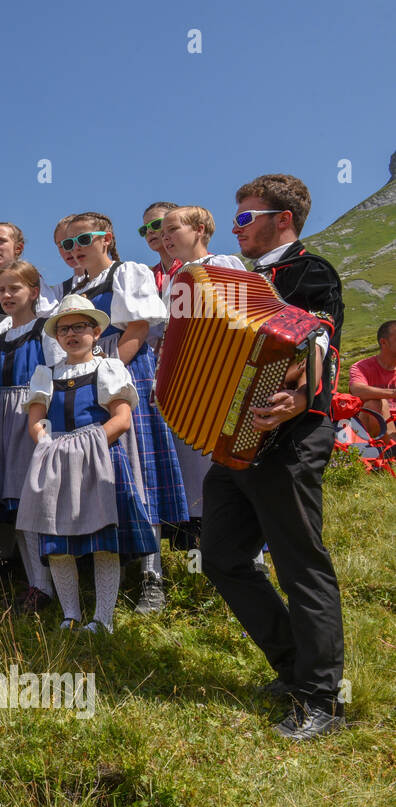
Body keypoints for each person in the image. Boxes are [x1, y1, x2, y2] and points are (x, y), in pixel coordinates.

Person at [202, 173, 346, 740]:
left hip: (289, 436)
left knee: (299, 563)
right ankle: (293, 669)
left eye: (244, 216)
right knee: (221, 557)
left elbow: (323, 341)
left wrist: (298, 397)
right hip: (234, 440)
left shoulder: (310, 272)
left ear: (280, 219)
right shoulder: (236, 281)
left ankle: (322, 701)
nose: (236, 226)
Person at [67, 210, 186, 613]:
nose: (76, 249)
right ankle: (113, 575)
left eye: (83, 239)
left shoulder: (127, 272)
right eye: (68, 244)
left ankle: (153, 576)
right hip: (88, 383)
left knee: (139, 473)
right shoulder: (77, 287)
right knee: (108, 475)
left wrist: (105, 372)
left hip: (125, 375)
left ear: (107, 237)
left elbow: (136, 330)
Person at [18, 295, 156, 634]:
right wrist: (50, 445)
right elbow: (36, 422)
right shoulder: (45, 374)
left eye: (79, 327)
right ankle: (70, 615)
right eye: (64, 329)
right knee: (58, 540)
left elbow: (122, 419)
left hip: (100, 458)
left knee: (102, 539)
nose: (71, 334)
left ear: (95, 331)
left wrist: (86, 445)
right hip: (57, 461)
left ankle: (103, 620)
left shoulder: (108, 368)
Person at [157, 204, 248, 547]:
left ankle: (245, 553)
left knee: (222, 463)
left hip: (222, 377)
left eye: (173, 229)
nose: (165, 238)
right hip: (188, 382)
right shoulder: (174, 280)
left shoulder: (224, 264)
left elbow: (241, 318)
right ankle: (202, 558)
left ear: (199, 229)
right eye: (162, 232)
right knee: (194, 470)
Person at [0, 261, 64, 612]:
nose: (6, 296)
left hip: (32, 415)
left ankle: (50, 583)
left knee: (35, 500)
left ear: (34, 291)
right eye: (1, 290)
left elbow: (57, 373)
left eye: (14, 289)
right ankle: (36, 582)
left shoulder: (44, 331)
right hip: (2, 420)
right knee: (14, 502)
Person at [348, 320, 396, 440]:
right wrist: (393, 393)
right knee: (377, 402)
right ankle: (392, 450)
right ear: (383, 342)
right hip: (372, 426)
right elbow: (357, 391)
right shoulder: (361, 367)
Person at [139, 202, 180, 292]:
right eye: (144, 229)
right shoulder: (148, 276)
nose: (149, 231)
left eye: (156, 224)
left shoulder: (203, 264)